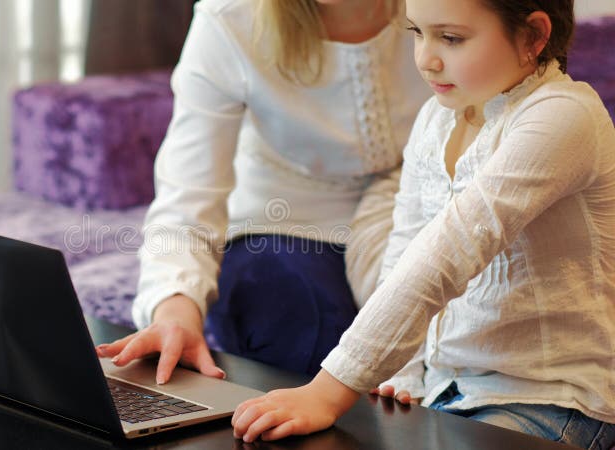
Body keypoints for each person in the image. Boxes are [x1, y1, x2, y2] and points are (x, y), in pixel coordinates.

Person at [231, 0, 615, 446]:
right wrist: (404, 374)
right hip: (447, 391)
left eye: (450, 38)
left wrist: (327, 390)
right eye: (416, 32)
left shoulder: (563, 117)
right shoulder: (436, 118)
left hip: (549, 400)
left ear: (533, 36)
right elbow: (405, 252)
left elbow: (445, 255)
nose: (425, 59)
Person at [96, 0, 431, 381]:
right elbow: (186, 199)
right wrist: (175, 312)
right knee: (312, 339)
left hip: (423, 210)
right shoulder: (230, 19)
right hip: (281, 226)